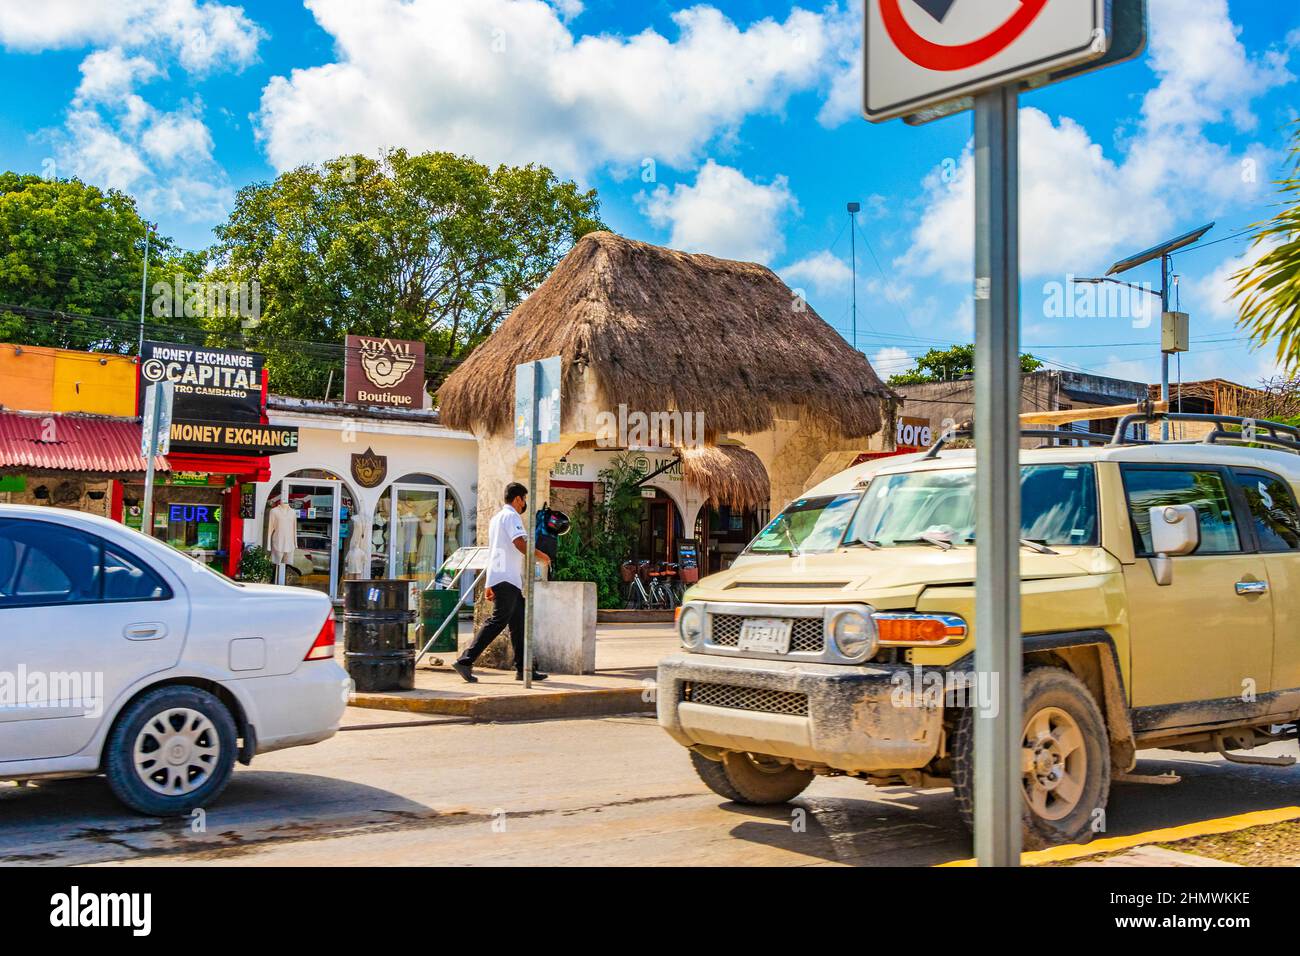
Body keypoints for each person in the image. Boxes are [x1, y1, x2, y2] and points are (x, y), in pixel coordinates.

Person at [453, 481, 551, 683]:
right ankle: (465, 660)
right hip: (507, 579)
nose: (524, 504)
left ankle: (524, 669)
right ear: (517, 499)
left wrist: (490, 582)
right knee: (497, 622)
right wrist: (542, 556)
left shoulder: (497, 518)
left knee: (519, 623)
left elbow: (494, 552)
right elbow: (519, 543)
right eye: (524, 499)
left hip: (504, 578)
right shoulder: (511, 516)